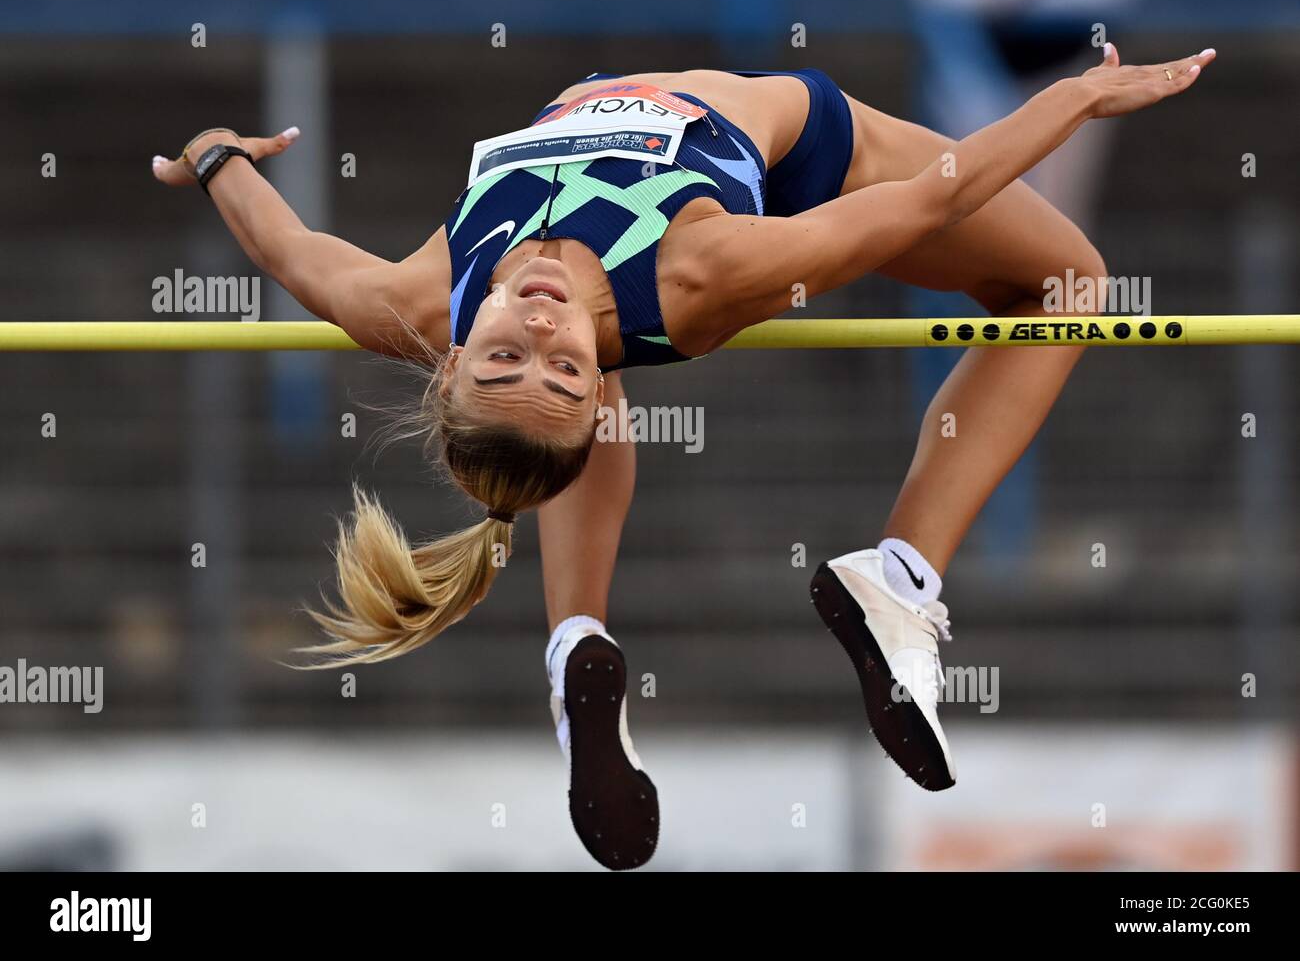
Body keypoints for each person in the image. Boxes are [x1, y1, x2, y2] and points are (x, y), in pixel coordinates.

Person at [153, 45, 1215, 869]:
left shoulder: (413, 302)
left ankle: (576, 640)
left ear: (447, 361)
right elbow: (928, 196)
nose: (537, 325)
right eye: (561, 367)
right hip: (802, 153)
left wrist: (215, 155)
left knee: (564, 394)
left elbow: (291, 253)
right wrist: (1070, 101)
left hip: (639, 161)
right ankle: (897, 577)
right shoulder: (704, 272)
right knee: (1066, 284)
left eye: (504, 358)